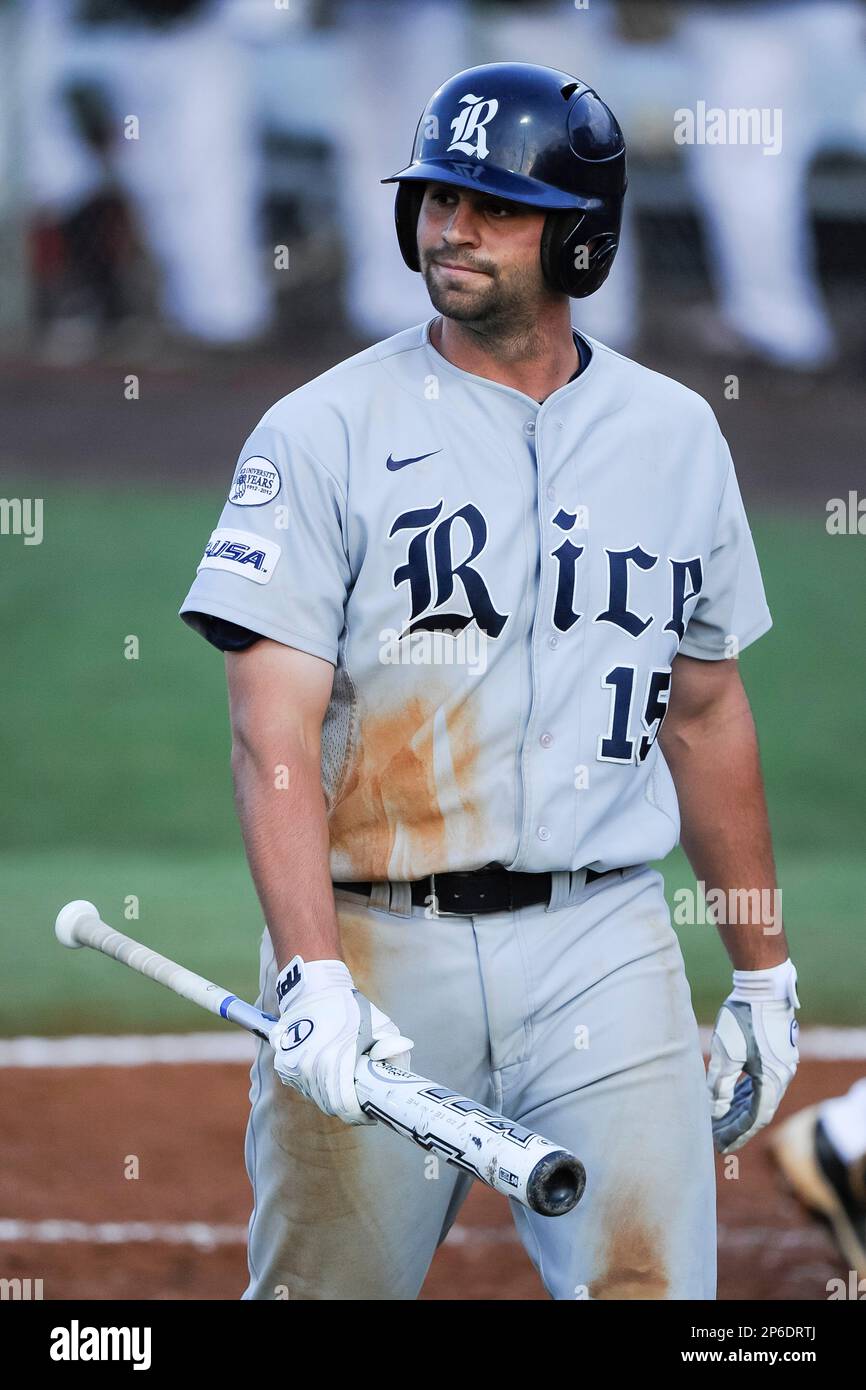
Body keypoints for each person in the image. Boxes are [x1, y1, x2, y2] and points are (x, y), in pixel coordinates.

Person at [180, 62, 800, 1301]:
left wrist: (762, 972)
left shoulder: (674, 436)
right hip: (377, 943)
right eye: (433, 199)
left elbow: (705, 709)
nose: (448, 228)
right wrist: (310, 972)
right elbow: (272, 731)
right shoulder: (320, 432)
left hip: (605, 945)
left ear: (581, 239)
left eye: (493, 207)